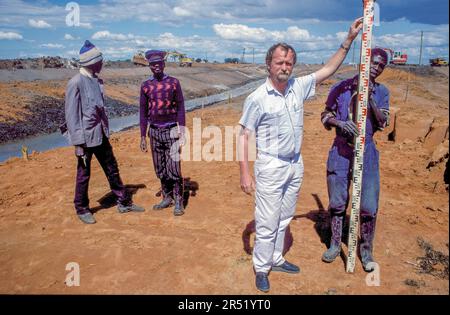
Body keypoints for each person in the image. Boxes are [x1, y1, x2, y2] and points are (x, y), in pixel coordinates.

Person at [238, 18, 363, 292]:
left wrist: (348, 40)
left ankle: (277, 258)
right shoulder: (257, 97)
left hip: (295, 164)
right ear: (269, 65)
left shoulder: (298, 86)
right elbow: (244, 135)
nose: (285, 67)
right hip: (270, 165)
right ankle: (261, 268)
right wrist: (245, 173)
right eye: (280, 62)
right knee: (267, 220)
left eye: (289, 63)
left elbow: (328, 69)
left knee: (284, 217)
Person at [320, 48, 390, 272]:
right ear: (364, 60)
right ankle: (334, 244)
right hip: (341, 150)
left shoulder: (382, 92)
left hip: (367, 151)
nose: (376, 68)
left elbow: (382, 123)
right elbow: (325, 115)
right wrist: (339, 124)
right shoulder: (340, 88)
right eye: (374, 63)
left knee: (368, 205)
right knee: (338, 202)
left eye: (381, 66)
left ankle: (366, 251)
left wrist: (369, 99)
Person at [65, 40, 145, 224]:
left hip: (100, 134)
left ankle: (123, 202)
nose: (103, 64)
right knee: (84, 174)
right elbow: (71, 116)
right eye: (100, 61)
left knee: (112, 168)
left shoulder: (96, 80)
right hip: (85, 139)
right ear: (92, 62)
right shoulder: (75, 82)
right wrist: (77, 143)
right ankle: (82, 208)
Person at [139, 50, 186, 216]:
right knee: (160, 166)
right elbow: (143, 112)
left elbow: (180, 107)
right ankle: (167, 197)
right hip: (155, 132)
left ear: (164, 64)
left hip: (172, 129)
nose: (156, 66)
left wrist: (182, 128)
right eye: (153, 64)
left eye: (159, 63)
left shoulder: (174, 83)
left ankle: (178, 199)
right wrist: (142, 136)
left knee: (174, 165)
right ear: (149, 66)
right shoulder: (146, 86)